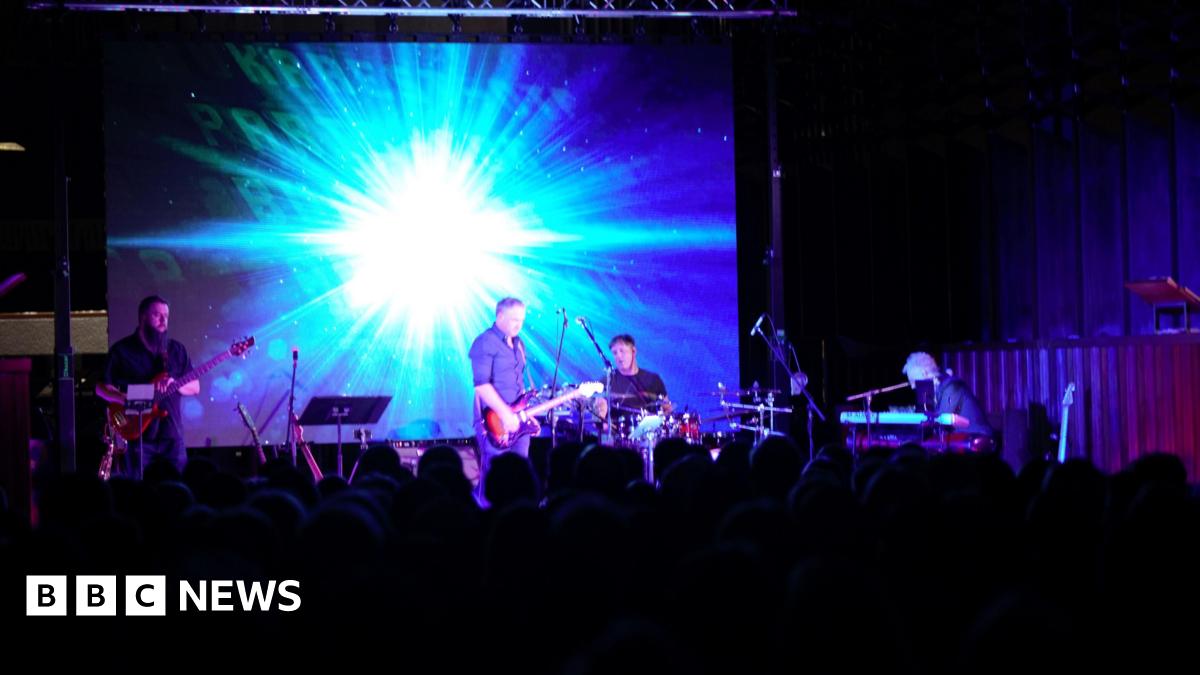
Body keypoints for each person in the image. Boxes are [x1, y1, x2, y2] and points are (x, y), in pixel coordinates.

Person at [95, 295, 199, 475]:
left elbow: (195, 387)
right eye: (157, 315)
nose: (163, 320)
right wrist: (123, 398)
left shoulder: (176, 350)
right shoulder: (122, 350)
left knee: (178, 488)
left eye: (166, 315)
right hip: (137, 435)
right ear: (142, 317)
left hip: (172, 436)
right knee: (138, 492)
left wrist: (175, 384)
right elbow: (101, 388)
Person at [469, 297, 537, 473]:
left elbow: (519, 385)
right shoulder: (485, 341)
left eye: (521, 320)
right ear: (499, 316)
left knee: (520, 475)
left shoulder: (519, 344)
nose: (519, 325)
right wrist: (505, 414)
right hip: (493, 422)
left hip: (517, 422)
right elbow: (481, 385)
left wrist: (525, 415)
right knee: (498, 479)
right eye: (515, 320)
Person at [901, 352, 994, 437]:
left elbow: (942, 419)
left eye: (913, 381)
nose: (913, 386)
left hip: (977, 440)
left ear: (924, 373)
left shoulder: (952, 386)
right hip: (957, 441)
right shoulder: (931, 390)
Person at [592, 334, 672, 426]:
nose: (619, 356)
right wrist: (603, 422)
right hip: (618, 436)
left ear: (633, 351)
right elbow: (598, 420)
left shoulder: (653, 379)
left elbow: (667, 408)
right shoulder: (607, 381)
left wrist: (660, 422)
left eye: (622, 351)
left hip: (649, 434)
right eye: (615, 353)